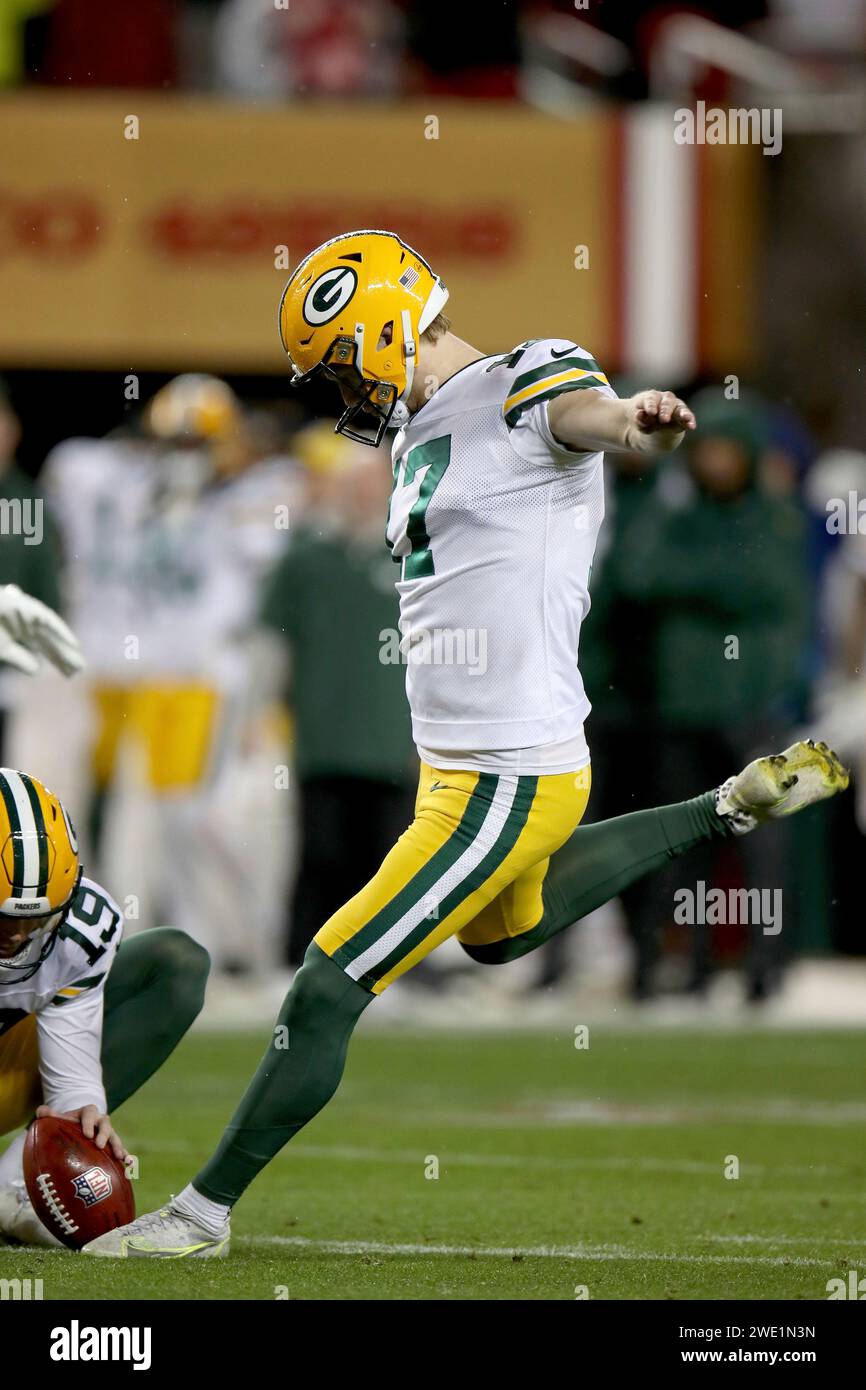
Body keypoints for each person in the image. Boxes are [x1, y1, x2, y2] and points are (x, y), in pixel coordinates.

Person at [84, 230, 848, 1259]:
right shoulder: (416, 427)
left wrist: (635, 419)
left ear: (388, 328)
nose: (341, 393)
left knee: (327, 980)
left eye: (342, 365)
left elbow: (586, 413)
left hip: (505, 774)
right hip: (460, 764)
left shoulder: (525, 379)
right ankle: (721, 807)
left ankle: (202, 1213)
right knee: (499, 939)